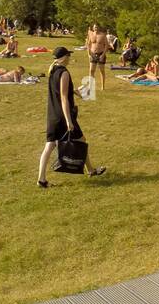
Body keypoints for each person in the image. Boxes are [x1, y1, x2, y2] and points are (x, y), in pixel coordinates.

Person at [38, 47, 104, 188]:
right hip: (63, 115)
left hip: (53, 114)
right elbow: (63, 97)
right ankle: (91, 170)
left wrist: (77, 92)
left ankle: (41, 179)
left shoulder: (53, 70)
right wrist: (68, 120)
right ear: (64, 57)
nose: (69, 58)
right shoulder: (64, 73)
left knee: (49, 145)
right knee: (81, 140)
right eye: (68, 55)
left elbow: (63, 91)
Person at [86, 23, 109, 97]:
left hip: (101, 54)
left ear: (99, 28)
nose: (96, 28)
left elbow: (106, 45)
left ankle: (103, 86)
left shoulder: (102, 35)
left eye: (97, 27)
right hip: (93, 54)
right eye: (94, 27)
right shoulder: (91, 34)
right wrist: (89, 54)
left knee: (101, 71)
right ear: (93, 28)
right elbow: (88, 45)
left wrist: (103, 55)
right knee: (91, 71)